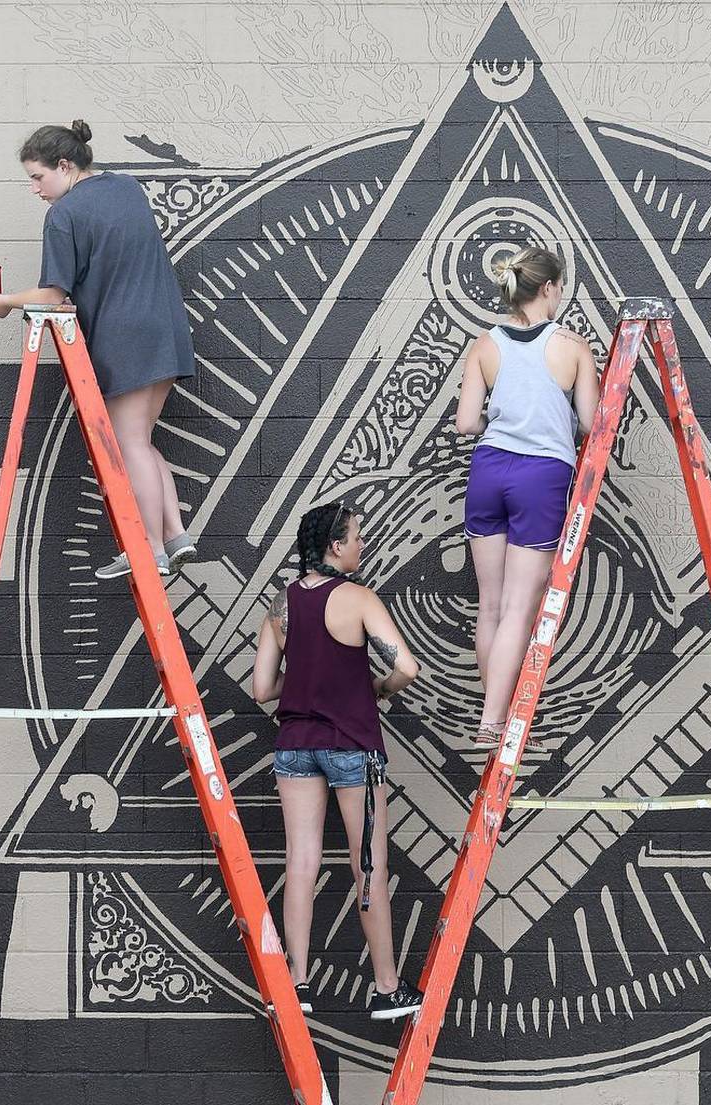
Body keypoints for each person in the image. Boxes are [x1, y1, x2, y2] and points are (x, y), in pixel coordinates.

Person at [0, 119, 197, 581]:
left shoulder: (63, 215)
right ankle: (175, 536)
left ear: (63, 165)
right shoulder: (126, 187)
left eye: (37, 177)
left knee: (128, 442)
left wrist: (4, 302)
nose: (35, 189)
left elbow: (54, 296)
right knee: (140, 438)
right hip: (166, 328)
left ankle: (149, 549)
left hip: (125, 337)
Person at [252, 501, 424, 1020]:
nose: (361, 545)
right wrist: (375, 688)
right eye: (356, 537)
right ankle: (387, 989)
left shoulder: (280, 607)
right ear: (335, 545)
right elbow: (408, 668)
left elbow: (263, 689)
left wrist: (304, 684)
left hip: (296, 746)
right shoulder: (359, 599)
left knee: (300, 863)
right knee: (367, 865)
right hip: (352, 746)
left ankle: (297, 986)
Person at [456, 246, 599, 745]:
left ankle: (490, 714)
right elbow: (591, 425)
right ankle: (494, 722)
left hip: (488, 469)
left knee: (491, 606)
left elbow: (466, 422)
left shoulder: (484, 343)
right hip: (541, 474)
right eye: (561, 288)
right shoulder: (572, 346)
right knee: (520, 606)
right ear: (549, 288)